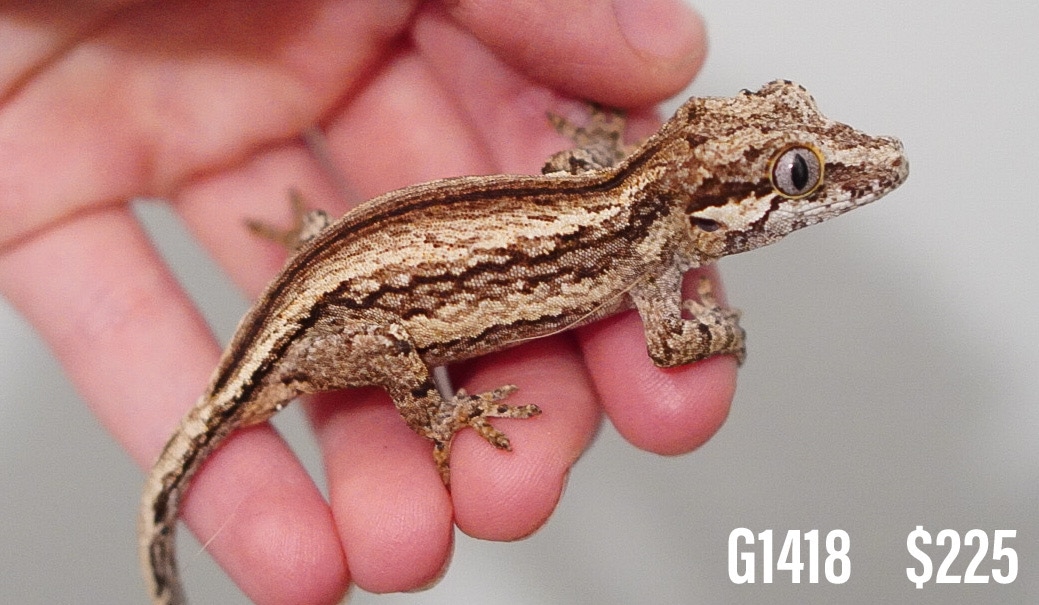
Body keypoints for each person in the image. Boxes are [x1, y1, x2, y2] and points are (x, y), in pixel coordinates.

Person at [0, 2, 736, 603]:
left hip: (338, 280)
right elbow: (670, 344)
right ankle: (431, 417)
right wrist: (720, 331)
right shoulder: (646, 246)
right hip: (323, 327)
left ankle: (314, 249)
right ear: (714, 209)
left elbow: (568, 165)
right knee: (388, 346)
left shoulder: (622, 208)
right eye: (790, 182)